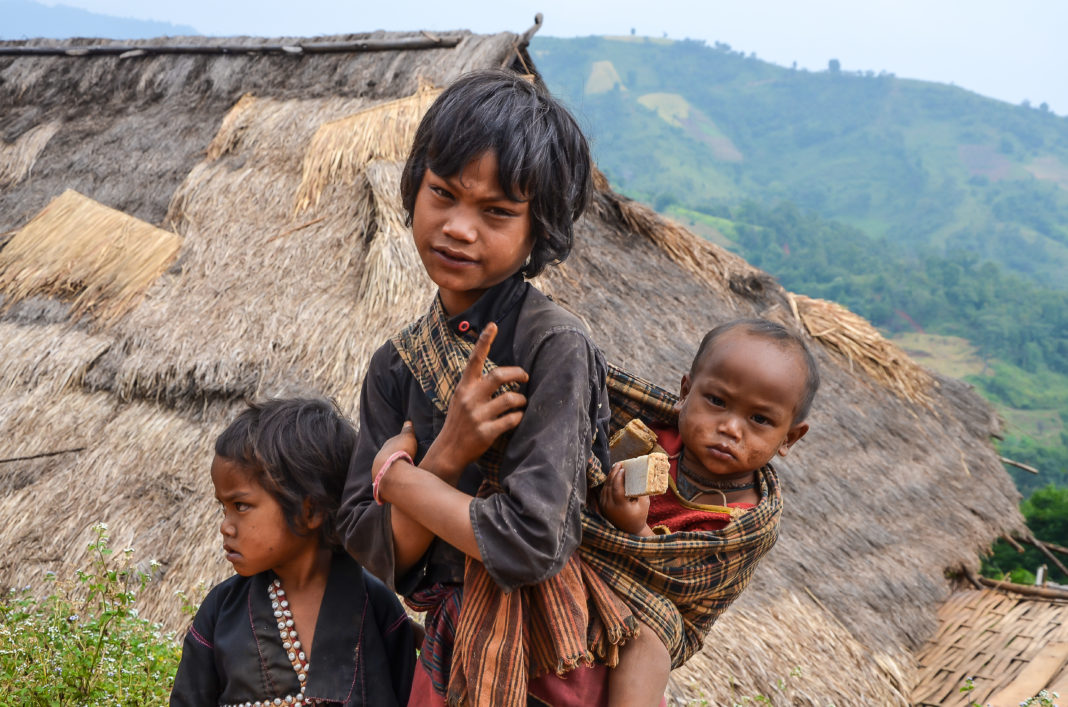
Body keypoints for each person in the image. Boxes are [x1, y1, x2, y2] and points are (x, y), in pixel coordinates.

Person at [338, 69, 638, 706]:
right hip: (447, 654)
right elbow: (375, 552)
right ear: (413, 187)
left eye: (497, 212)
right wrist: (445, 456)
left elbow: (531, 542)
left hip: (548, 661)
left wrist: (405, 481)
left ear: (540, 231)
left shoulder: (553, 347)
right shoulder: (396, 365)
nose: (459, 227)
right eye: (443, 193)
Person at [594, 318, 820, 705]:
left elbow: (685, 579)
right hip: (587, 551)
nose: (731, 428)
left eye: (760, 420)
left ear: (789, 438)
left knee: (650, 643)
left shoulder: (745, 520)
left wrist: (636, 531)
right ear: (686, 391)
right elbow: (591, 463)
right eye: (716, 401)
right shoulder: (650, 435)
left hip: (658, 607)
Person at [171, 398, 415, 707]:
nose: (225, 527)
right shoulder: (221, 611)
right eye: (224, 508)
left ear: (309, 510)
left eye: (241, 506)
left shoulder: (377, 606)